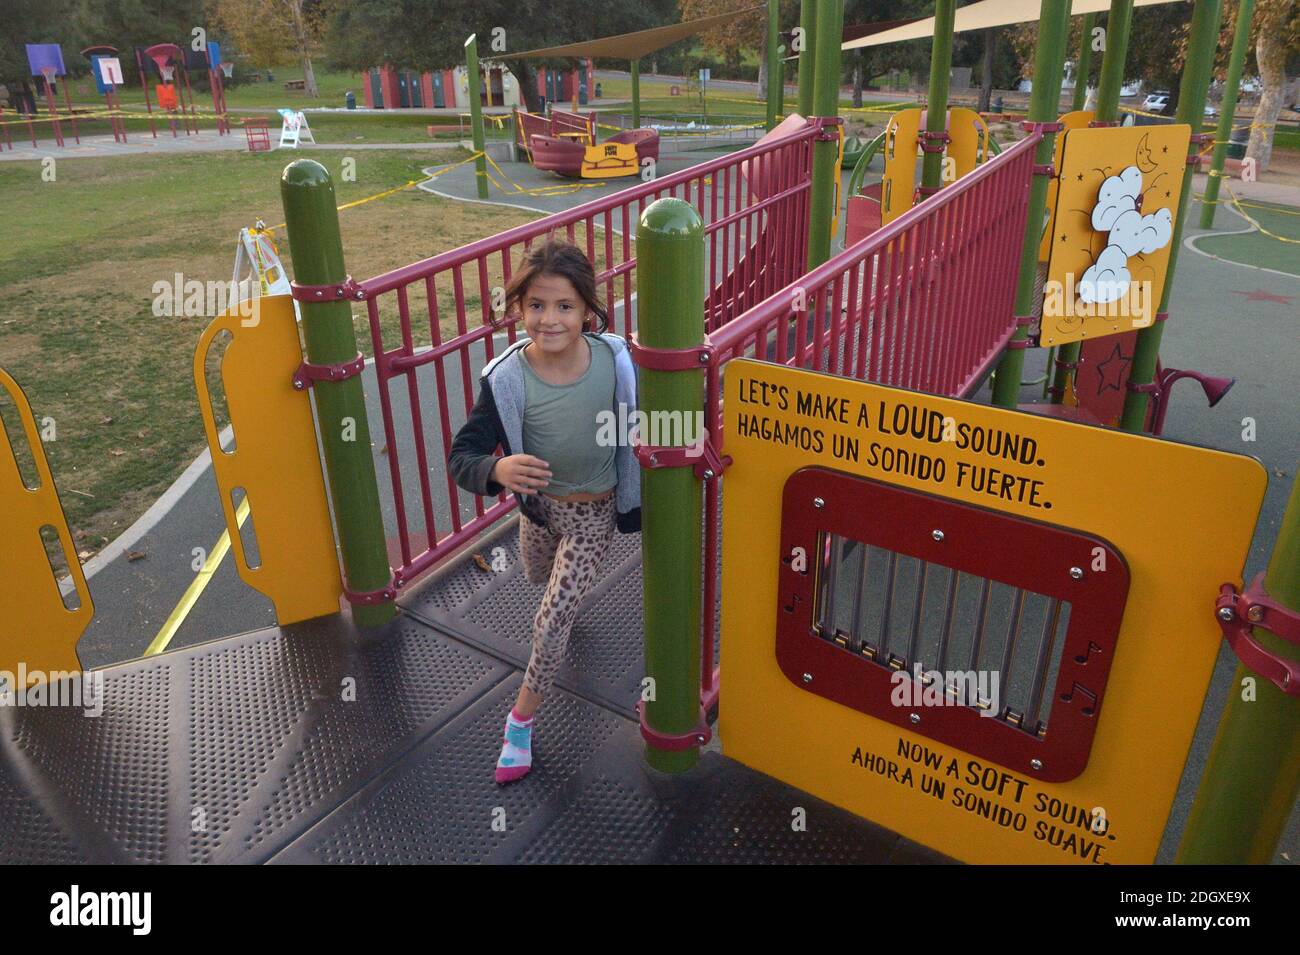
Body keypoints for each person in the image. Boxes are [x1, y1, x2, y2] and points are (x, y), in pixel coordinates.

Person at [449, 238, 641, 784]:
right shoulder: (508, 378)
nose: (549, 319)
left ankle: (519, 724)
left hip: (593, 515)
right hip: (538, 513)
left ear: (587, 311)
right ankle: (559, 611)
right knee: (537, 577)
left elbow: (661, 413)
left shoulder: (614, 362)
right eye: (536, 305)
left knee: (551, 620)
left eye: (564, 307)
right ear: (519, 308)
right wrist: (497, 470)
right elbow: (462, 455)